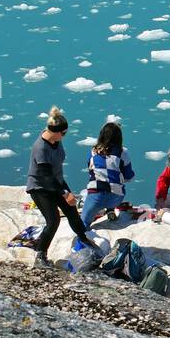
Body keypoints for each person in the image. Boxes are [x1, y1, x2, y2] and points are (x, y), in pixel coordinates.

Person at [25, 106, 99, 269]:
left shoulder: (56, 143)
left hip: (56, 183)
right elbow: (46, 176)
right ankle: (40, 255)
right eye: (63, 133)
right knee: (53, 220)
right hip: (39, 187)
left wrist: (66, 193)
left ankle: (84, 239)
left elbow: (56, 174)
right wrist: (64, 193)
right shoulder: (40, 147)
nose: (64, 137)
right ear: (56, 131)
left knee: (71, 210)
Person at [71, 121, 134, 252]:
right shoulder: (123, 152)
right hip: (116, 198)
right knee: (117, 187)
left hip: (96, 197)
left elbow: (91, 171)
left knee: (83, 224)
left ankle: (78, 251)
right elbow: (129, 177)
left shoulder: (93, 152)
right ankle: (110, 209)